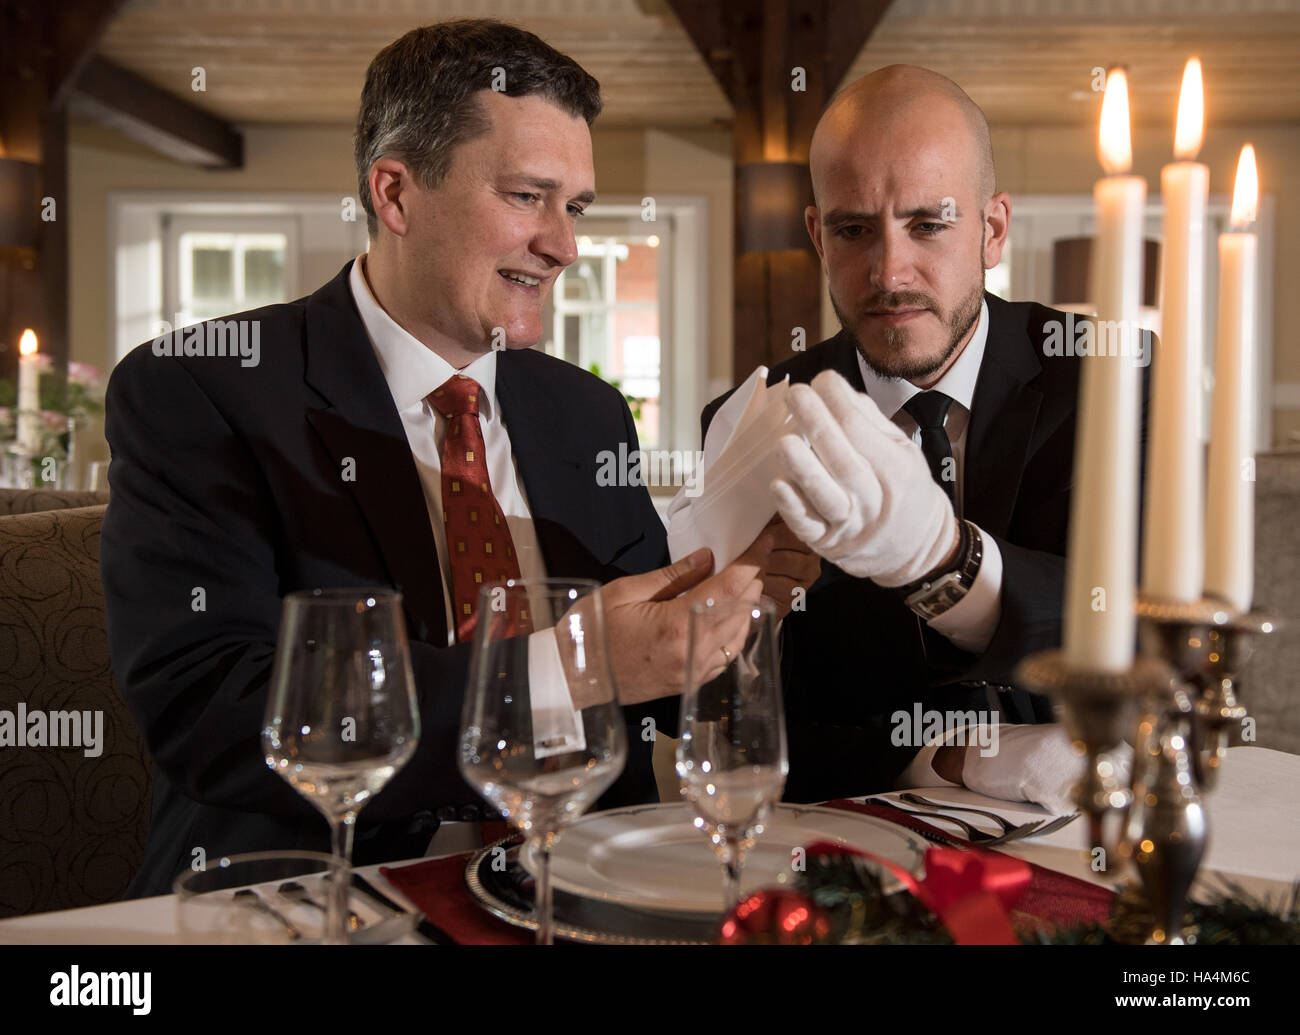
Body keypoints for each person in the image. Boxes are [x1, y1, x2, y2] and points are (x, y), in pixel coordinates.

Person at [102, 20, 819, 897]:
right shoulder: (202, 390)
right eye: (529, 196)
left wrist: (727, 606)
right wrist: (577, 666)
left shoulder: (585, 411)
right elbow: (214, 712)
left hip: (579, 885)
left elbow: (660, 685)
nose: (565, 244)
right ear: (396, 194)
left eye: (577, 207)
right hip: (311, 894)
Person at [703, 65, 1145, 807]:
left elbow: (1144, 632)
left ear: (993, 229)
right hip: (848, 849)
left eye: (929, 224)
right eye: (853, 229)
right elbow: (746, 728)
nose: (889, 271)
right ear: (818, 235)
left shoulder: (1111, 381)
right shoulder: (757, 417)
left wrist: (947, 561)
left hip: (1091, 825)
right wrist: (956, 760)